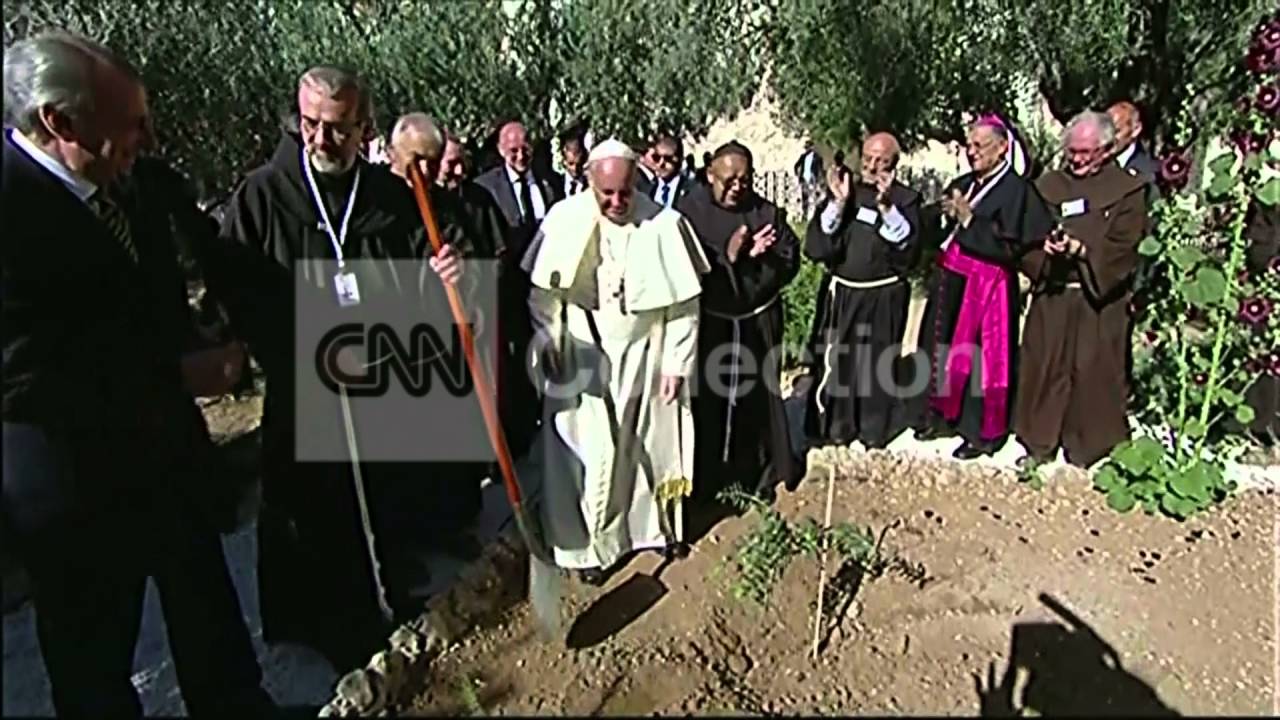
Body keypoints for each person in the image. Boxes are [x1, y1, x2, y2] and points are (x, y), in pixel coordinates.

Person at [1, 31, 274, 716]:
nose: (147, 137)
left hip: (169, 457)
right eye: (130, 122)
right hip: (73, 482)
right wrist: (176, 374)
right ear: (59, 121)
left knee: (208, 614)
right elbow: (19, 370)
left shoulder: (137, 184)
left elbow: (208, 263)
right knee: (93, 660)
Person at [210, 65, 467, 670]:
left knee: (383, 493)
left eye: (337, 128)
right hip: (306, 383)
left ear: (363, 127)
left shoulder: (386, 196)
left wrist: (441, 277)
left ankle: (386, 591)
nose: (321, 140)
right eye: (310, 125)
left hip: (378, 375)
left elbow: (421, 273)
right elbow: (235, 288)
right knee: (312, 510)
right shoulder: (263, 195)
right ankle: (323, 623)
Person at [520, 139, 710, 585]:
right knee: (587, 456)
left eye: (625, 192)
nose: (617, 202)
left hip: (646, 354)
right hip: (584, 354)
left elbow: (683, 307)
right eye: (606, 193)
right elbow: (544, 294)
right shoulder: (564, 219)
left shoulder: (665, 223)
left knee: (649, 446)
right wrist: (551, 341)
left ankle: (651, 530)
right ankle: (586, 550)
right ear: (590, 182)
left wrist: (677, 363)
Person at [908, 115, 1051, 459]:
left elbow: (1013, 246)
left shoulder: (1018, 191)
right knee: (940, 350)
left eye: (979, 146)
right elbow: (944, 229)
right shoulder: (964, 182)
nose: (972, 153)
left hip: (986, 286)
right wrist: (945, 215)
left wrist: (970, 220)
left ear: (1002, 148)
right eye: (969, 146)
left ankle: (981, 432)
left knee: (981, 361)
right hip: (951, 280)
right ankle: (941, 416)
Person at [1014, 111, 1149, 469]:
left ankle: (1092, 448)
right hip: (1054, 293)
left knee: (1093, 372)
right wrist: (1043, 251)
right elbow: (1025, 236)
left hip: (1098, 300)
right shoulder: (1049, 186)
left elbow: (1126, 245)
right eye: (1073, 152)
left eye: (1087, 153)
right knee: (1044, 367)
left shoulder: (1128, 189)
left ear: (1106, 149)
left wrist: (1083, 251)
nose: (1078, 160)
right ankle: (1038, 442)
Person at [676, 141, 803, 505]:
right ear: (710, 174)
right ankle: (705, 480)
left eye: (744, 180)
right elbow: (683, 267)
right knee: (708, 402)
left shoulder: (766, 213)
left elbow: (789, 261)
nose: (737, 186)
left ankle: (755, 475)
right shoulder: (690, 211)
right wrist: (731, 257)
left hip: (756, 320)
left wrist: (759, 261)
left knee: (755, 401)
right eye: (728, 179)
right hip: (711, 322)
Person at [804, 132, 922, 449]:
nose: (871, 166)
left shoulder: (906, 200)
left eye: (880, 161)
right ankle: (837, 427)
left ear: (894, 164)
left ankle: (873, 429)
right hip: (844, 294)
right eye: (867, 158)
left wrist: (886, 208)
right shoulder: (846, 192)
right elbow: (822, 240)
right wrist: (839, 202)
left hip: (883, 296)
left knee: (877, 364)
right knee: (840, 363)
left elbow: (907, 248)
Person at [474, 120, 555, 460]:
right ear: (501, 150)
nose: (520, 155)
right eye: (513, 150)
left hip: (543, 287)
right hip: (507, 291)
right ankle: (514, 433)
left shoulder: (548, 184)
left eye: (525, 149)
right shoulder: (486, 188)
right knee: (512, 363)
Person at [644, 132, 694, 209]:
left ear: (680, 160)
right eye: (657, 158)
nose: (660, 164)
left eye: (667, 159)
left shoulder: (692, 191)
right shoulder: (647, 190)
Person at [794, 139, 825, 220]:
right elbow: (796, 165)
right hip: (804, 179)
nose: (807, 149)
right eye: (806, 148)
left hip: (813, 179)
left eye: (808, 147)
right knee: (805, 197)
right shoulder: (803, 156)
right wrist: (797, 175)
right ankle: (805, 215)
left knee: (814, 197)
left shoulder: (817, 157)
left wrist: (819, 179)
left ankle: (815, 216)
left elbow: (820, 169)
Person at [555, 129, 589, 198]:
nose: (575, 169)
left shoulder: (589, 184)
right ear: (564, 160)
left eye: (579, 164)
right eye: (571, 163)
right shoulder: (556, 186)